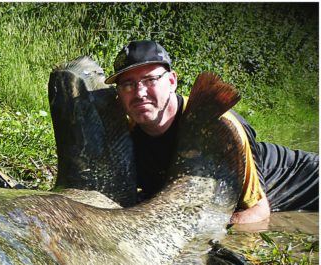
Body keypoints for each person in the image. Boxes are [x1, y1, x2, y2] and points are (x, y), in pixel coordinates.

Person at [104, 40, 319, 224]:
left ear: (172, 81)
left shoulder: (218, 124)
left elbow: (259, 212)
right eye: (128, 85)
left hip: (304, 180)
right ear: (119, 93)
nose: (139, 92)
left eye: (150, 80)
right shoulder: (125, 138)